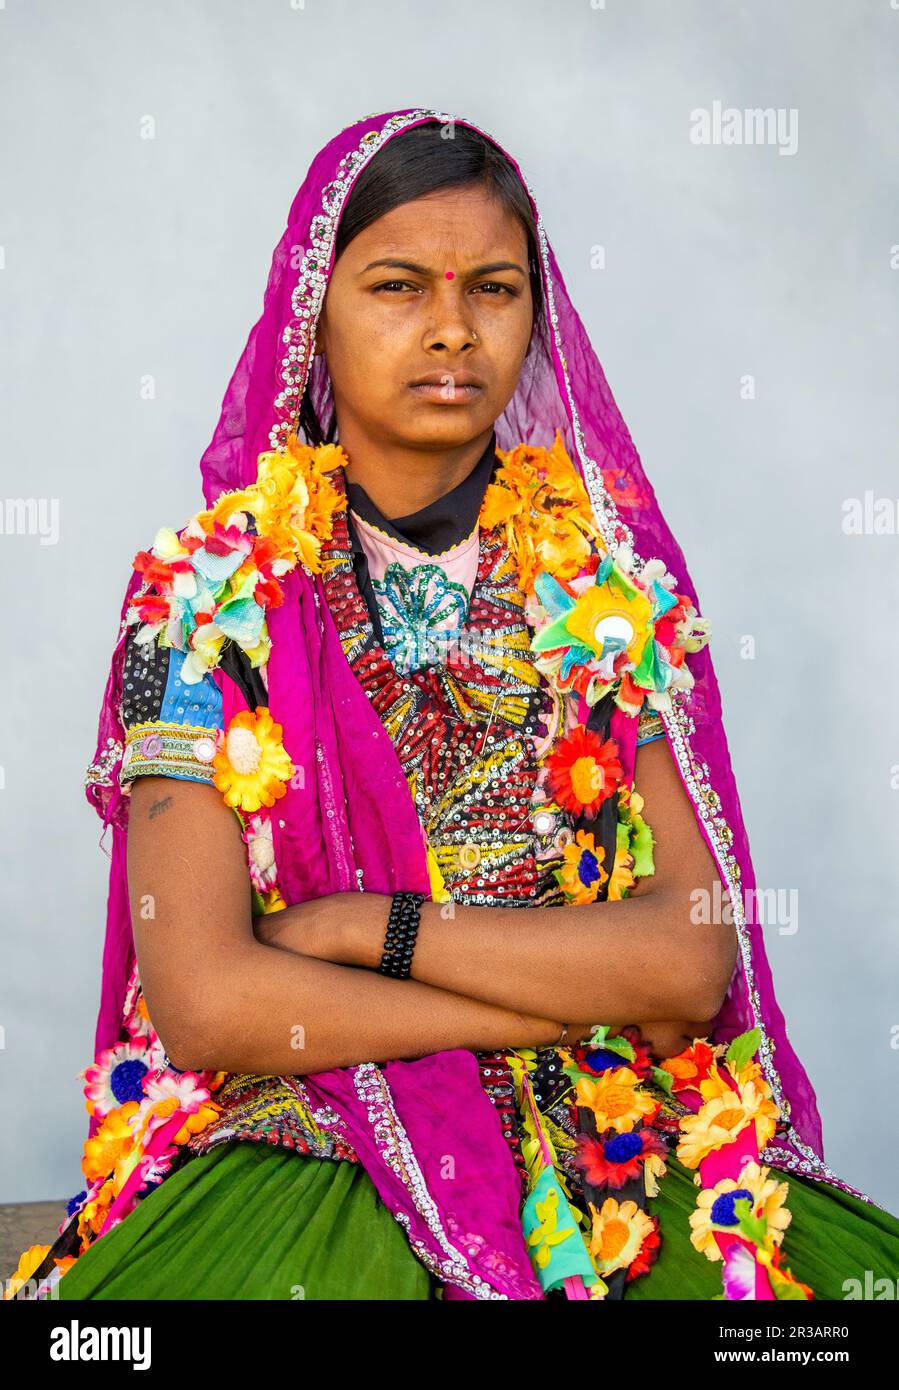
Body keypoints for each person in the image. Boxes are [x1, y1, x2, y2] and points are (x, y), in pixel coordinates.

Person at [8, 108, 899, 1303]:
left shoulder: (605, 593)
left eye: (492, 287)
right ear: (310, 314)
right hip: (319, 1134)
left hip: (617, 1146)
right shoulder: (207, 594)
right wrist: (557, 998)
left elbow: (687, 967)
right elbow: (214, 1006)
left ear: (535, 318)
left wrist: (362, 928)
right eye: (394, 286)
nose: (448, 330)